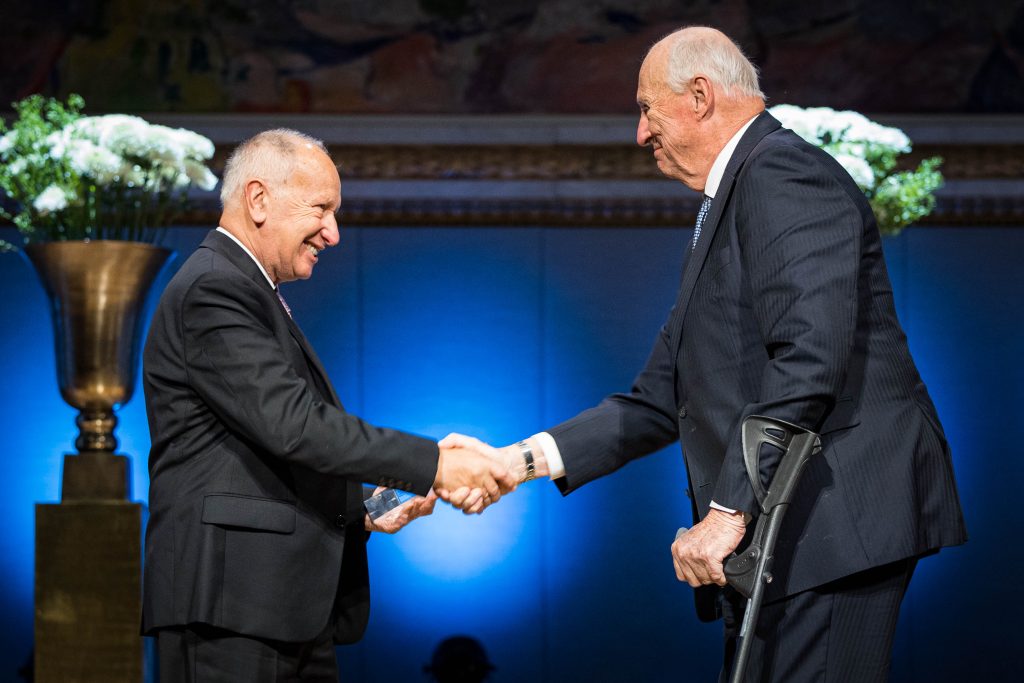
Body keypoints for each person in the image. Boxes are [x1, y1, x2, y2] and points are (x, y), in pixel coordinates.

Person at [445, 26, 967, 682]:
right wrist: (513, 462)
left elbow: (810, 354)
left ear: (699, 96)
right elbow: (656, 399)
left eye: (645, 109)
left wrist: (727, 510)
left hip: (834, 523)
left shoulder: (780, 171)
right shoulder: (738, 193)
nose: (640, 135)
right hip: (798, 532)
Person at [141, 129, 514, 681]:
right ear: (259, 198)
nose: (333, 233)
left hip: (277, 608)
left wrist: (367, 509)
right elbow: (294, 425)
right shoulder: (214, 287)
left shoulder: (244, 287)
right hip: (230, 609)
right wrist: (435, 462)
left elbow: (260, 457)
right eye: (321, 209)